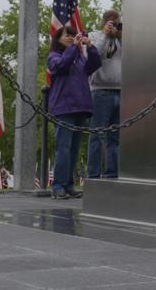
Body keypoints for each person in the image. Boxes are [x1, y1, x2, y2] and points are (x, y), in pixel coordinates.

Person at [46, 26, 101, 200]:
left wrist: (90, 47)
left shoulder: (79, 58)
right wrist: (73, 48)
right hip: (64, 108)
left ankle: (69, 184)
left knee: (74, 150)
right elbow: (61, 66)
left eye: (72, 35)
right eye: (66, 35)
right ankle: (58, 186)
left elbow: (94, 64)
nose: (70, 37)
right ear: (58, 39)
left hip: (80, 107)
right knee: (63, 149)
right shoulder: (54, 56)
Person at [87, 10, 122, 180]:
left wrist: (120, 36)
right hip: (100, 91)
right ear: (103, 22)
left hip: (121, 91)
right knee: (97, 135)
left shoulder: (121, 39)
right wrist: (104, 35)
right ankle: (93, 175)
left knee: (114, 138)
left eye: (116, 22)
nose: (113, 25)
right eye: (110, 22)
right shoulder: (94, 36)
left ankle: (112, 174)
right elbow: (94, 55)